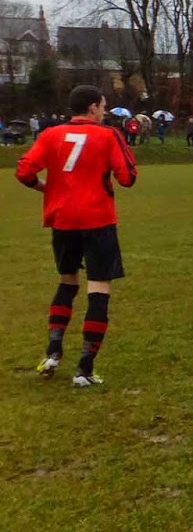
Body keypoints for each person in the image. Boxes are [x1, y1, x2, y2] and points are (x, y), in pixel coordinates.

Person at [14, 85, 139, 386]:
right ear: (93, 107)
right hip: (97, 219)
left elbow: (24, 171)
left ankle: (53, 351)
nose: (105, 111)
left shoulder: (50, 135)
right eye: (104, 105)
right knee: (98, 288)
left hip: (63, 221)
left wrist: (46, 187)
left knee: (67, 281)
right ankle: (84, 368)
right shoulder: (108, 135)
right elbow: (128, 178)